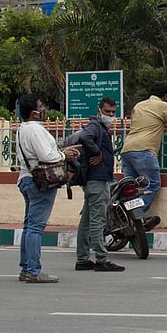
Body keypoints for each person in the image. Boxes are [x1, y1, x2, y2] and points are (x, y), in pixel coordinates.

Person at [15, 94, 81, 283]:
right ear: (34, 112)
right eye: (41, 106)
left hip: (26, 179)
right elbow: (47, 155)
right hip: (39, 182)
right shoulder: (36, 129)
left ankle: (26, 268)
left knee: (29, 226)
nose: (44, 109)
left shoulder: (23, 129)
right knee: (35, 227)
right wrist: (64, 154)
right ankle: (34, 271)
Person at [74, 97, 125, 272]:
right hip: (97, 179)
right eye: (107, 112)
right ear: (99, 110)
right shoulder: (95, 126)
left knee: (87, 221)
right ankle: (102, 259)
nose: (110, 115)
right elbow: (85, 137)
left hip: (93, 180)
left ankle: (82, 259)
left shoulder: (101, 127)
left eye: (113, 112)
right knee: (97, 221)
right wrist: (97, 152)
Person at [120, 83, 167, 220]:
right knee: (152, 184)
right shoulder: (162, 106)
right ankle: (132, 215)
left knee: (131, 188)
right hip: (144, 150)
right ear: (165, 96)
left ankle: (123, 215)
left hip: (127, 149)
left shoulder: (139, 105)